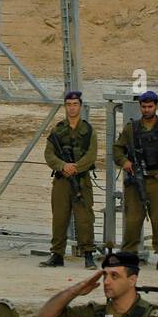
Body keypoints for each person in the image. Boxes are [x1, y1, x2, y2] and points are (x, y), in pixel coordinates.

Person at [113, 90, 158, 271]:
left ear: (156, 106)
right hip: (136, 180)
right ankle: (128, 258)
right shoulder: (131, 128)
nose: (147, 110)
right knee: (133, 221)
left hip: (156, 182)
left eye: (150, 106)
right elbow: (117, 150)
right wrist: (125, 162)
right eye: (144, 107)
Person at [41, 90, 98, 269]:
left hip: (81, 180)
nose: (72, 108)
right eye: (69, 105)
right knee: (59, 218)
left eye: (75, 104)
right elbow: (49, 154)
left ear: (80, 106)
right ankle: (57, 254)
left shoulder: (88, 130)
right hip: (62, 181)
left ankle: (88, 254)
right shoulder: (58, 130)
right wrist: (62, 166)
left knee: (84, 218)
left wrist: (75, 167)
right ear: (65, 107)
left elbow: (91, 155)